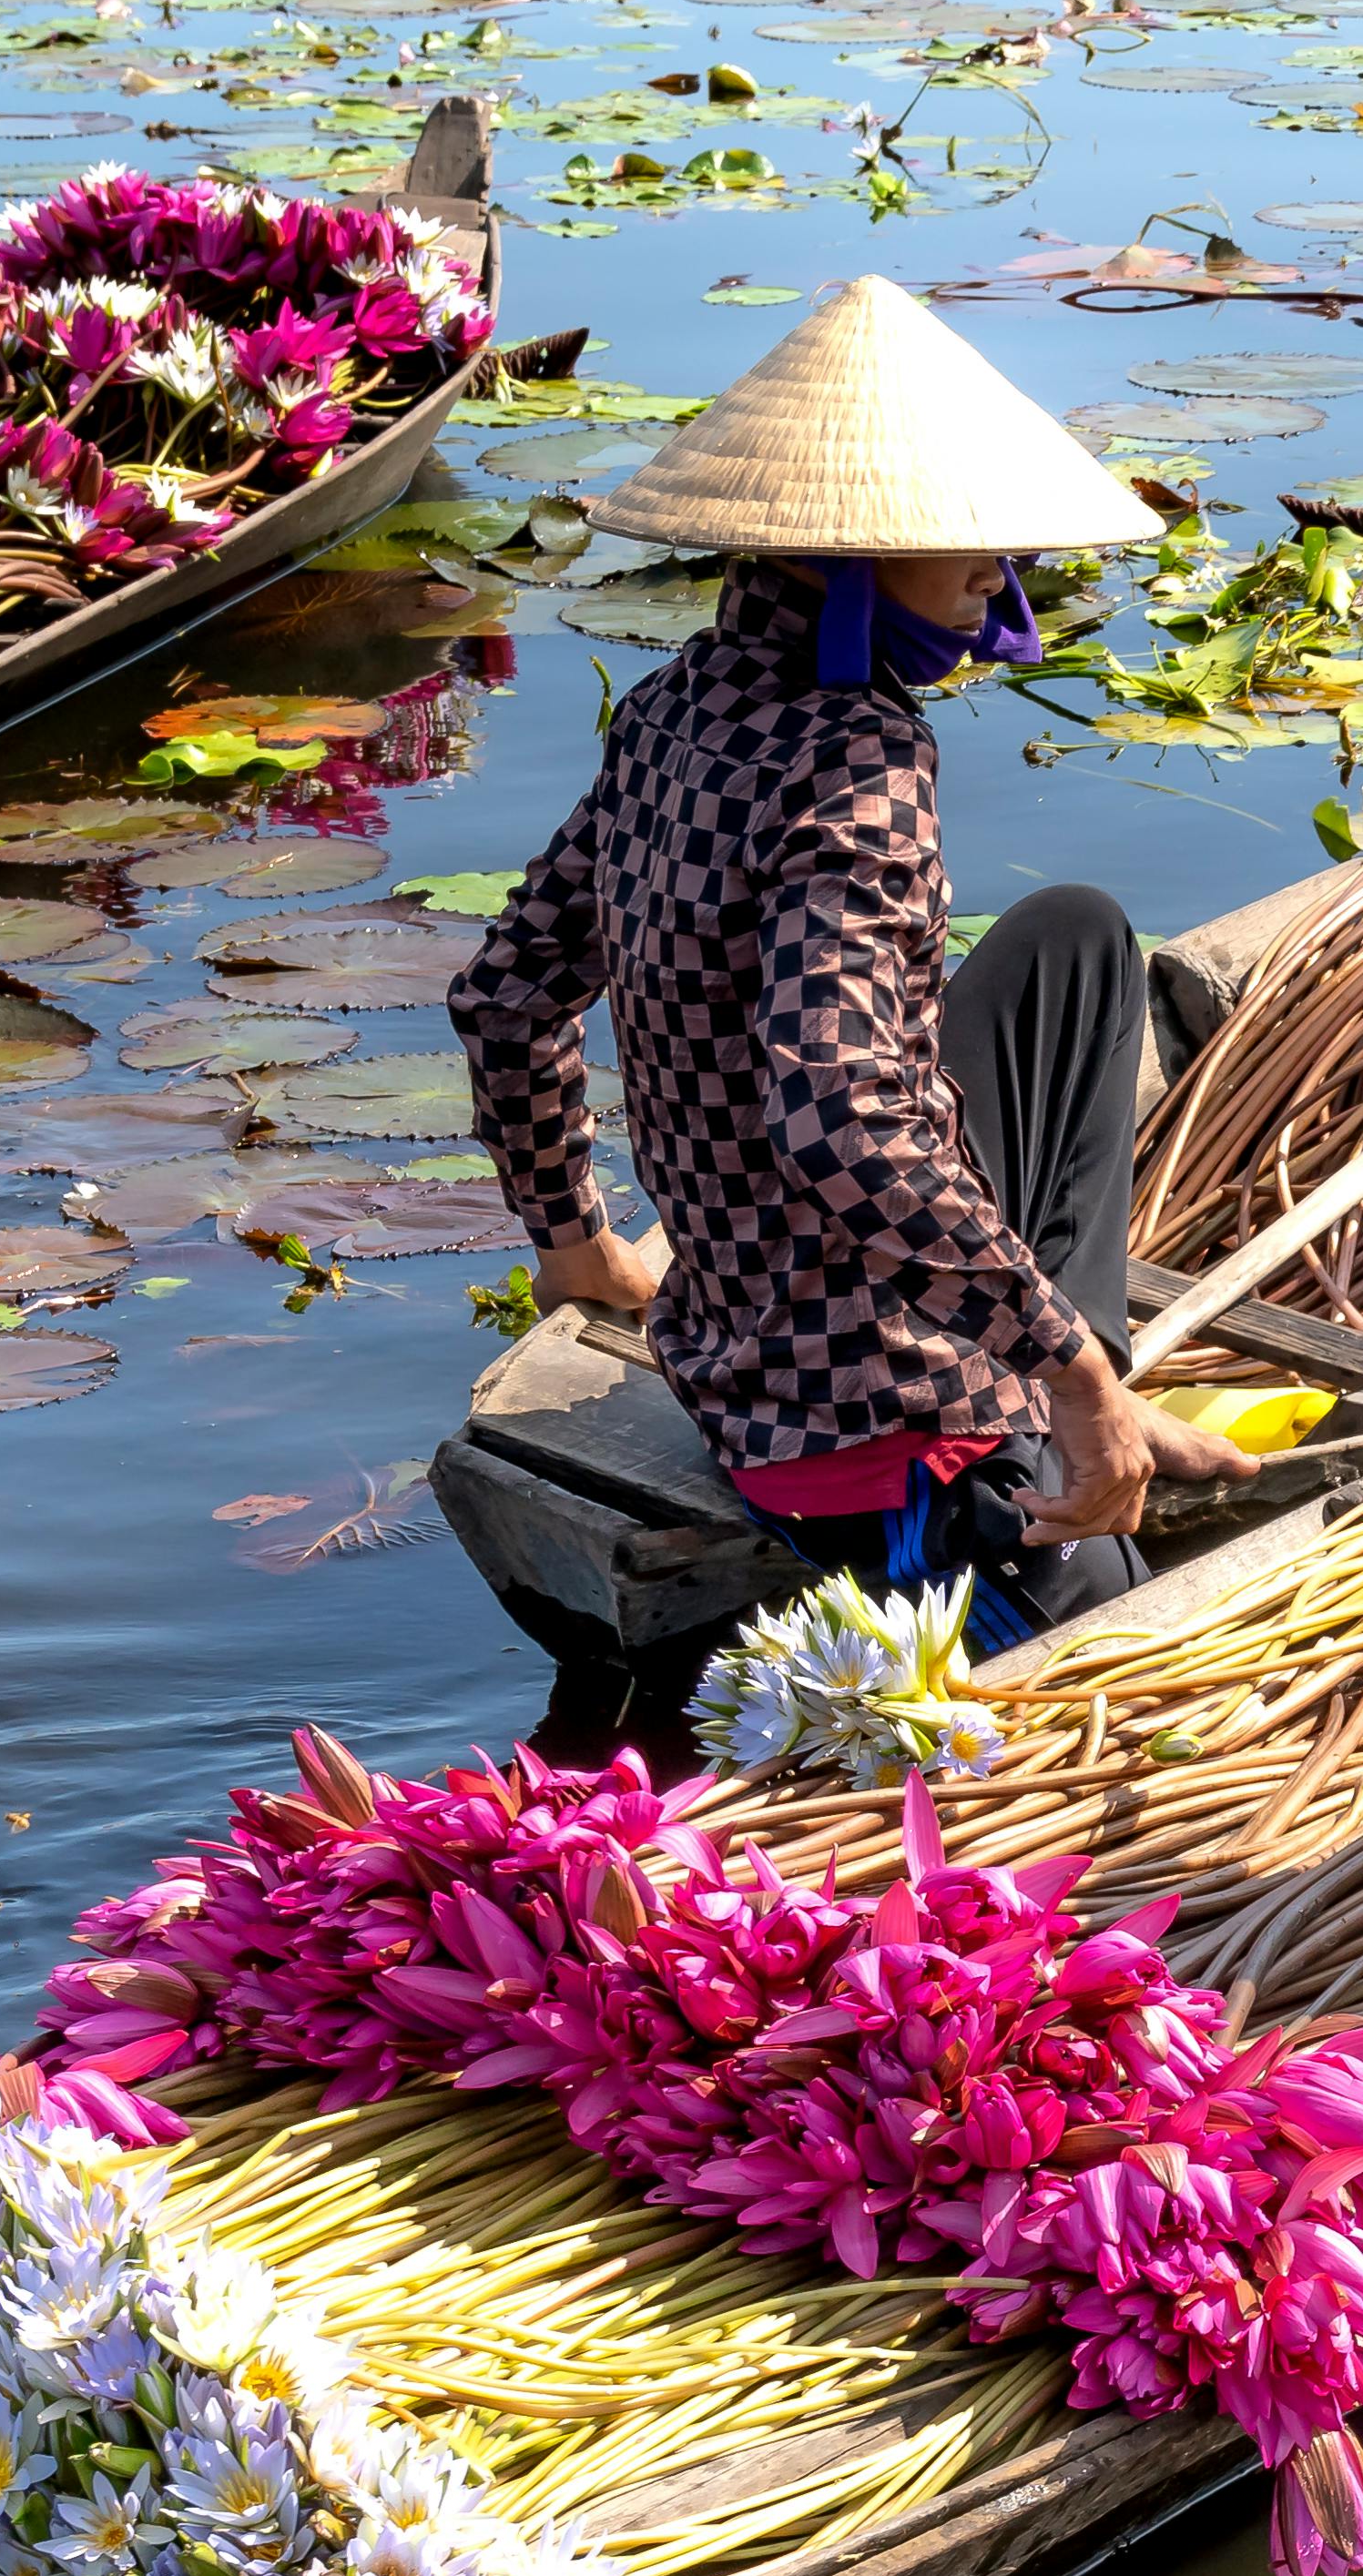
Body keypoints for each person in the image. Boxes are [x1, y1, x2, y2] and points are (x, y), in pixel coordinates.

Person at [448, 278, 1242, 1754]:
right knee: (1131, 1694)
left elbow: (505, 991)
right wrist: (1070, 1375)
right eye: (971, 526)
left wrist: (577, 1247)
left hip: (728, 1325)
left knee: (1074, 943)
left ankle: (1065, 1370)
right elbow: (841, 1111)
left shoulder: (680, 706)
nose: (1003, 559)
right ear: (851, 549)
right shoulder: (861, 757)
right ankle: (1048, 1417)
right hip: (853, 1437)